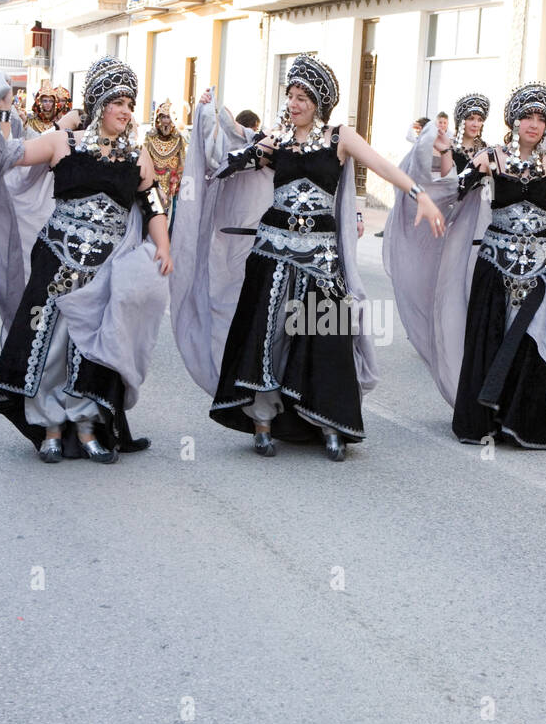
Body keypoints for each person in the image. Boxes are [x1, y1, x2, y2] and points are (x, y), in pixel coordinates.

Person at [173, 55, 445, 461]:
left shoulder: (339, 137)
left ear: (319, 102)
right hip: (270, 251)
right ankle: (262, 420)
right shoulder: (277, 139)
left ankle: (329, 422)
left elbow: (383, 166)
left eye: (303, 97)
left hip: (320, 255)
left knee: (327, 336)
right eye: (291, 95)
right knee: (265, 334)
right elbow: (226, 163)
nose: (295, 103)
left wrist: (419, 194)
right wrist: (209, 117)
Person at [0, 58, 172, 464]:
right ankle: (50, 424)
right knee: (50, 342)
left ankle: (88, 423)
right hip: (57, 256)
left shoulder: (136, 155)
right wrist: (0, 107)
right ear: (98, 104)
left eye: (130, 103)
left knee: (95, 346)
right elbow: (5, 155)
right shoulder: (63, 143)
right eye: (117, 102)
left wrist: (163, 246)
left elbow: (153, 201)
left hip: (109, 266)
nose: (126, 111)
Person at [385, 81, 546, 448]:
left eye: (540, 118)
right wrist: (434, 165)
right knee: (491, 339)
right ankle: (485, 418)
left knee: (531, 341)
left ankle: (522, 420)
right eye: (526, 117)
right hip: (496, 262)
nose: (533, 125)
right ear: (514, 121)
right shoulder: (492, 158)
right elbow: (453, 191)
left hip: (540, 264)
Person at [142, 99, 186, 214]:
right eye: (163, 117)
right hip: (152, 182)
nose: (166, 121)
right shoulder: (150, 137)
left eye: (168, 117)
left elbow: (183, 162)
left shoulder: (179, 138)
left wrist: (177, 178)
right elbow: (144, 159)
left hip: (171, 184)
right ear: (158, 118)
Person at [432, 92, 489, 177]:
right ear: (461, 122)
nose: (475, 124)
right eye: (471, 119)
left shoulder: (486, 149)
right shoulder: (446, 146)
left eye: (480, 120)